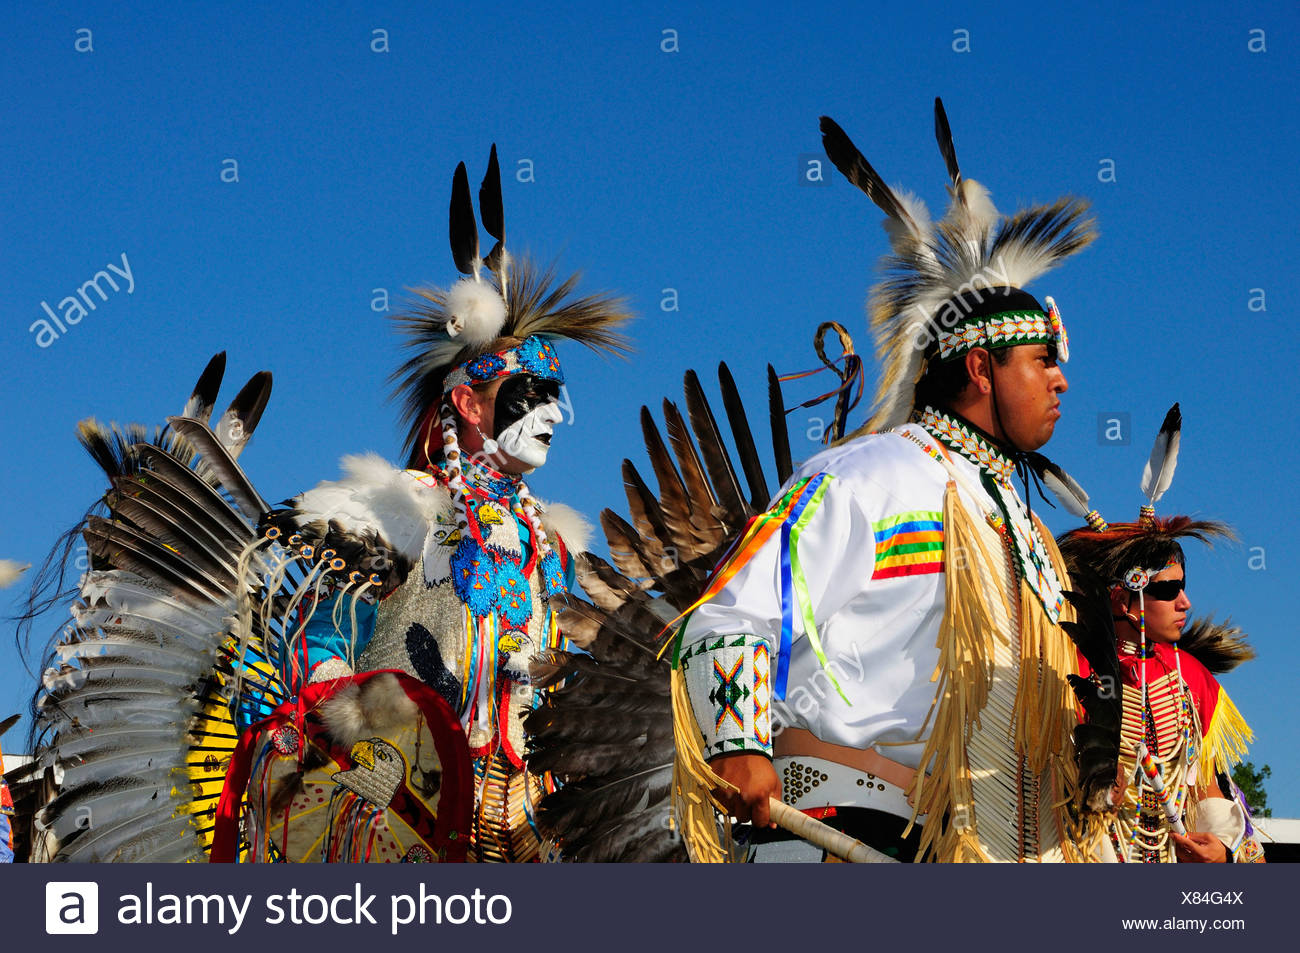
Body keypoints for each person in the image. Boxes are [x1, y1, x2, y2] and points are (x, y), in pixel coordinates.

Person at [672, 101, 1108, 862]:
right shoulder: (873, 473)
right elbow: (733, 607)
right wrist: (739, 740)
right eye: (1042, 360)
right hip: (846, 830)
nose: (1062, 381)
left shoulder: (1032, 536)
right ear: (979, 368)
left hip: (978, 850)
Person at [224, 147, 631, 862]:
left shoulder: (553, 550)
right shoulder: (397, 512)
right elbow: (320, 647)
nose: (553, 416)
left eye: (557, 401)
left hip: (525, 823)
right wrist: (341, 738)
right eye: (531, 396)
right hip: (397, 818)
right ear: (469, 401)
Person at [1056, 407, 1265, 863]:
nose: (1185, 603)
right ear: (1120, 598)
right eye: (1168, 590)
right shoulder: (1066, 668)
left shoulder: (1193, 679)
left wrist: (1225, 856)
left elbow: (1210, 789)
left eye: (1183, 587)